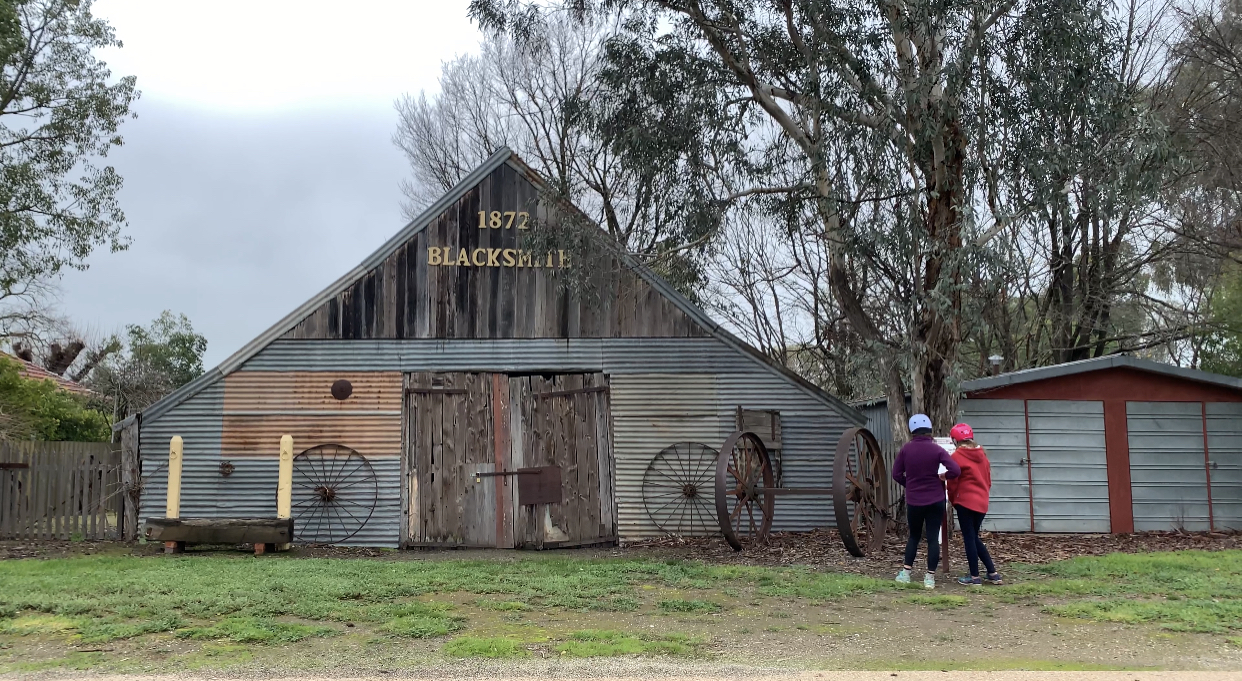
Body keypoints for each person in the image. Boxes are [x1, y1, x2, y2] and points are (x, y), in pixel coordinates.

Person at [892, 413, 960, 589]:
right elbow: (955, 469)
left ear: (912, 431)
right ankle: (930, 577)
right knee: (932, 538)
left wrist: (909, 484)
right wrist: (943, 477)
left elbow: (896, 474)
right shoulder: (937, 450)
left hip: (914, 500)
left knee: (914, 536)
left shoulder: (906, 449)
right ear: (929, 430)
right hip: (936, 499)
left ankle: (906, 573)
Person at [946, 423, 1003, 586]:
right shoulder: (982, 455)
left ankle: (974, 576)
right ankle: (993, 573)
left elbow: (952, 481)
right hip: (982, 501)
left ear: (955, 440)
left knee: (970, 539)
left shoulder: (957, 456)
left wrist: (953, 499)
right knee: (974, 537)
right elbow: (988, 480)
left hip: (965, 501)